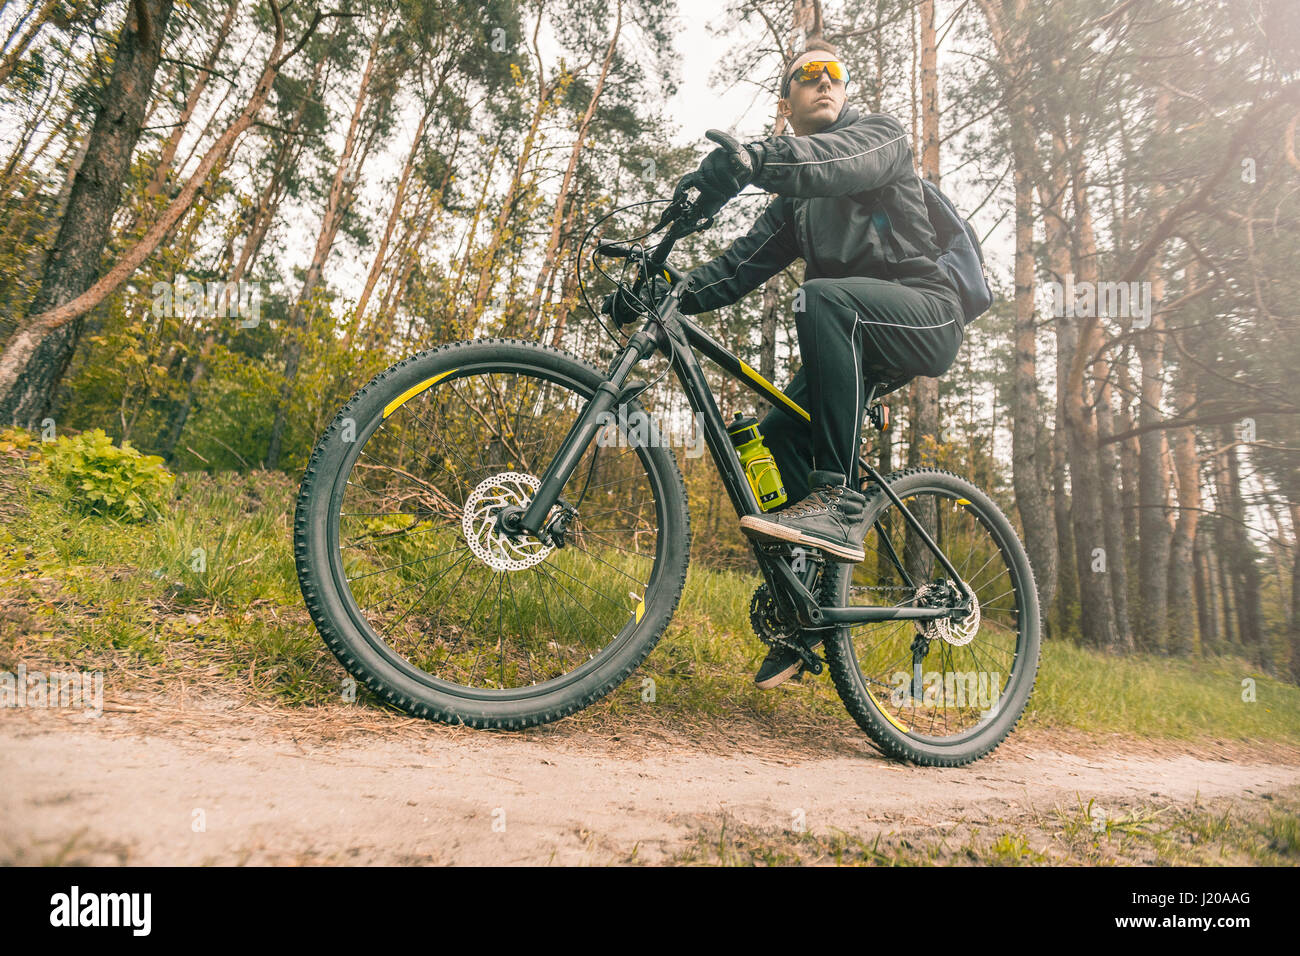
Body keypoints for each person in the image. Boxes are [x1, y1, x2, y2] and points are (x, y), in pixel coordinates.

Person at [613, 40, 966, 688]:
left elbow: (829, 164)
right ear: (788, 99)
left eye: (836, 72)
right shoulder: (795, 208)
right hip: (850, 331)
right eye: (810, 75)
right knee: (773, 440)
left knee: (822, 298)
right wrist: (661, 292)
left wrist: (755, 159)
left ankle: (836, 496)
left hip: (925, 312)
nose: (826, 82)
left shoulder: (876, 139)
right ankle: (804, 617)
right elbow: (735, 269)